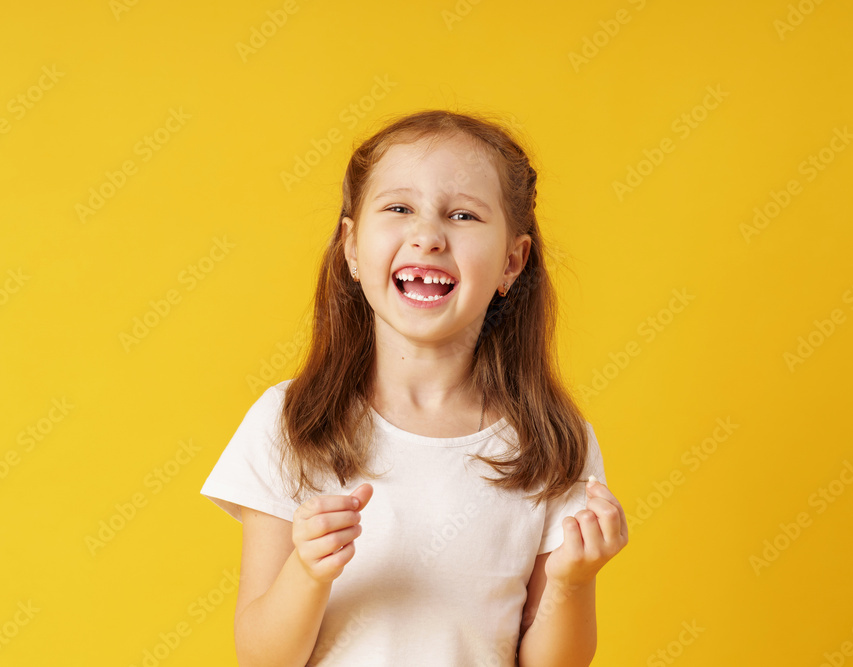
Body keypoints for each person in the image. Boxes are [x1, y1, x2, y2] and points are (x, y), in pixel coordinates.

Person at [199, 109, 629, 667]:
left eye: (464, 215)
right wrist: (307, 571)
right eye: (399, 208)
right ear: (352, 247)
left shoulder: (551, 444)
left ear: (512, 261)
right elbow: (260, 659)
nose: (427, 236)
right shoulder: (291, 421)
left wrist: (574, 581)